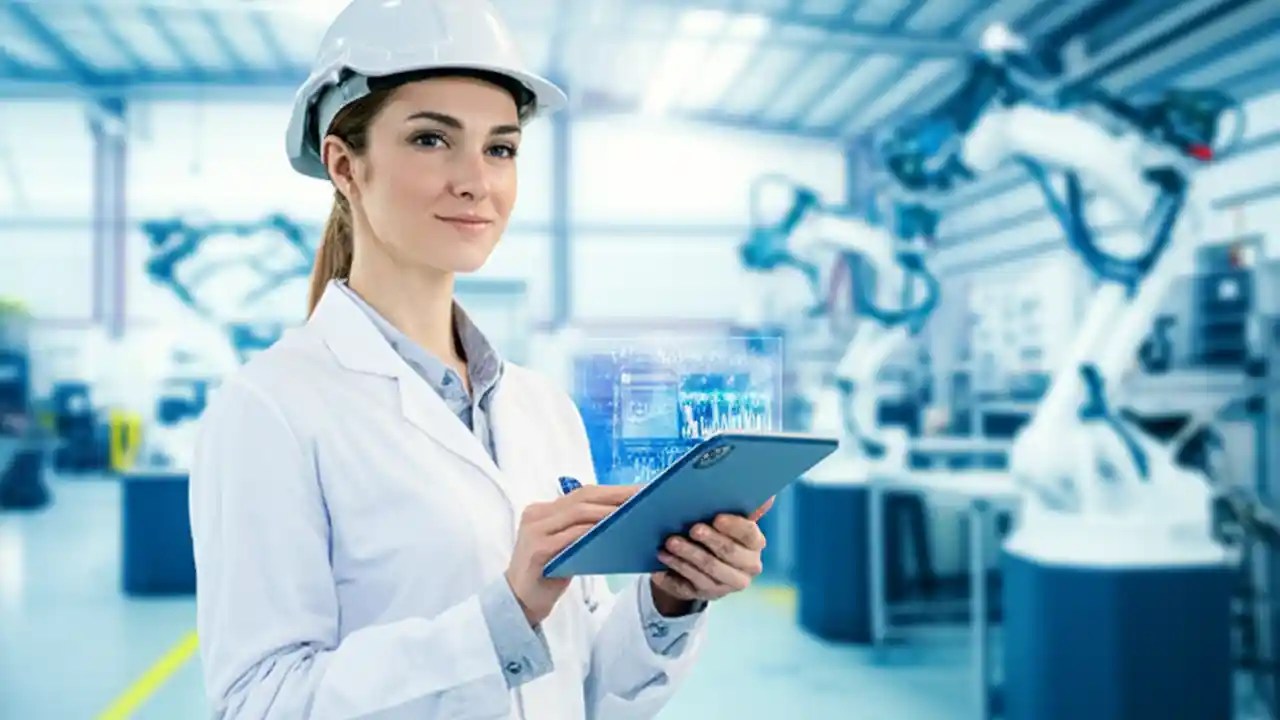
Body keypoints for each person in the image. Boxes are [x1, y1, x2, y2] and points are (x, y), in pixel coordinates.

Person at [188, 1, 772, 718]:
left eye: (500, 148)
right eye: (432, 139)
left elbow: (588, 690)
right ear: (344, 165)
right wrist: (502, 616)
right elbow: (259, 703)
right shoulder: (272, 408)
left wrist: (672, 595)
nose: (477, 181)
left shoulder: (541, 408)